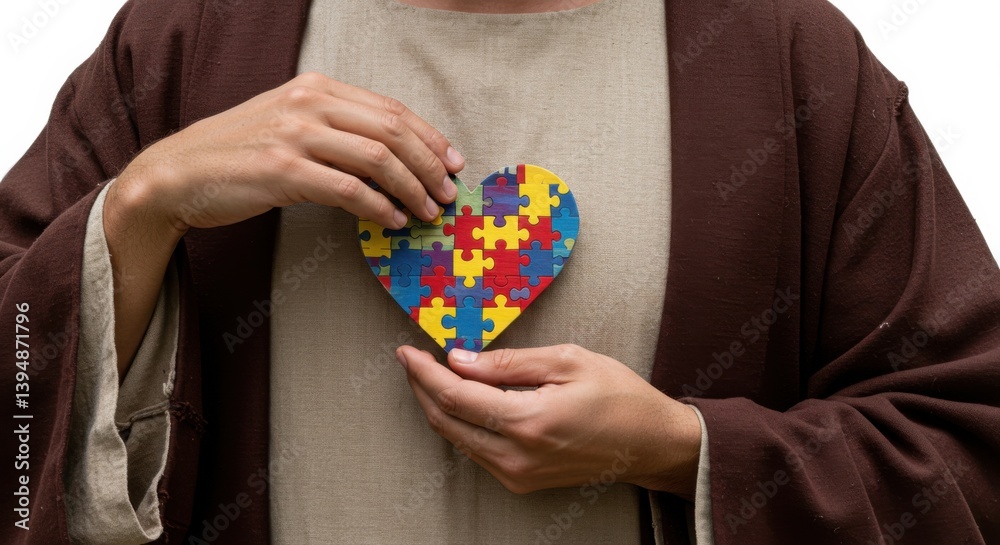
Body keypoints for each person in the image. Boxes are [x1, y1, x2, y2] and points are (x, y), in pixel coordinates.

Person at [1, 0, 997, 543]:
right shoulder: (191, 36)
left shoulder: (788, 55)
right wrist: (142, 204)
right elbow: (9, 393)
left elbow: (966, 439)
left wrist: (682, 451)